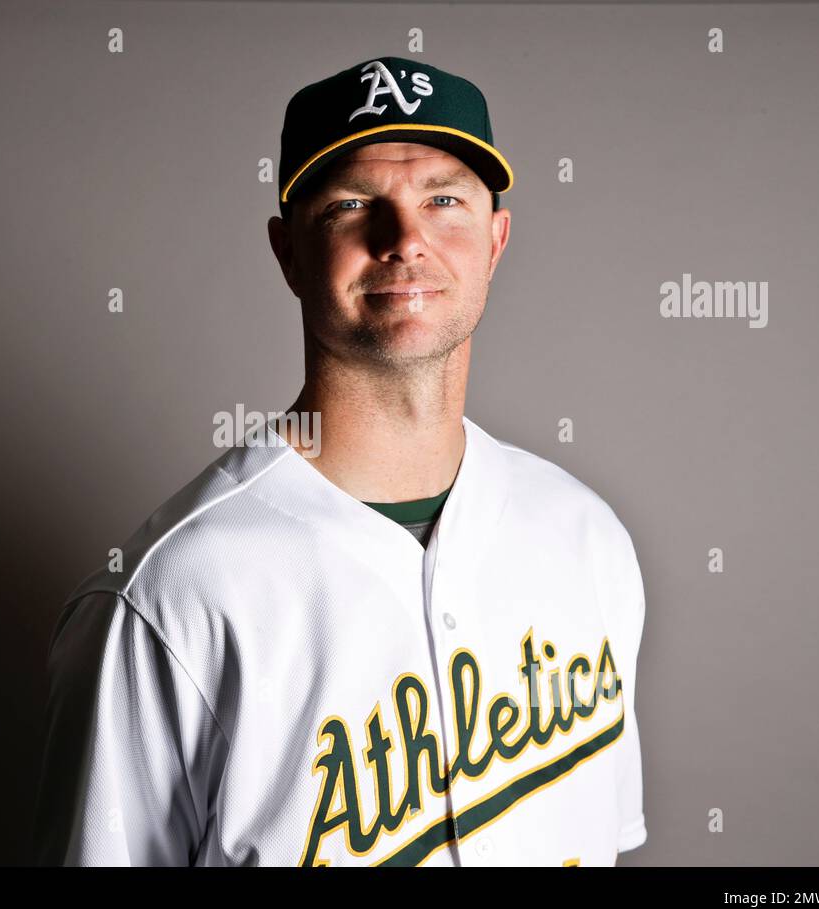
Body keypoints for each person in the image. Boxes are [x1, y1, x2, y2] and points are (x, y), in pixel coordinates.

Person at [33, 55, 647, 867]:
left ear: (495, 241)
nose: (406, 241)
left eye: (444, 199)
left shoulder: (586, 535)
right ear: (287, 252)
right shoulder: (169, 599)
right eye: (353, 205)